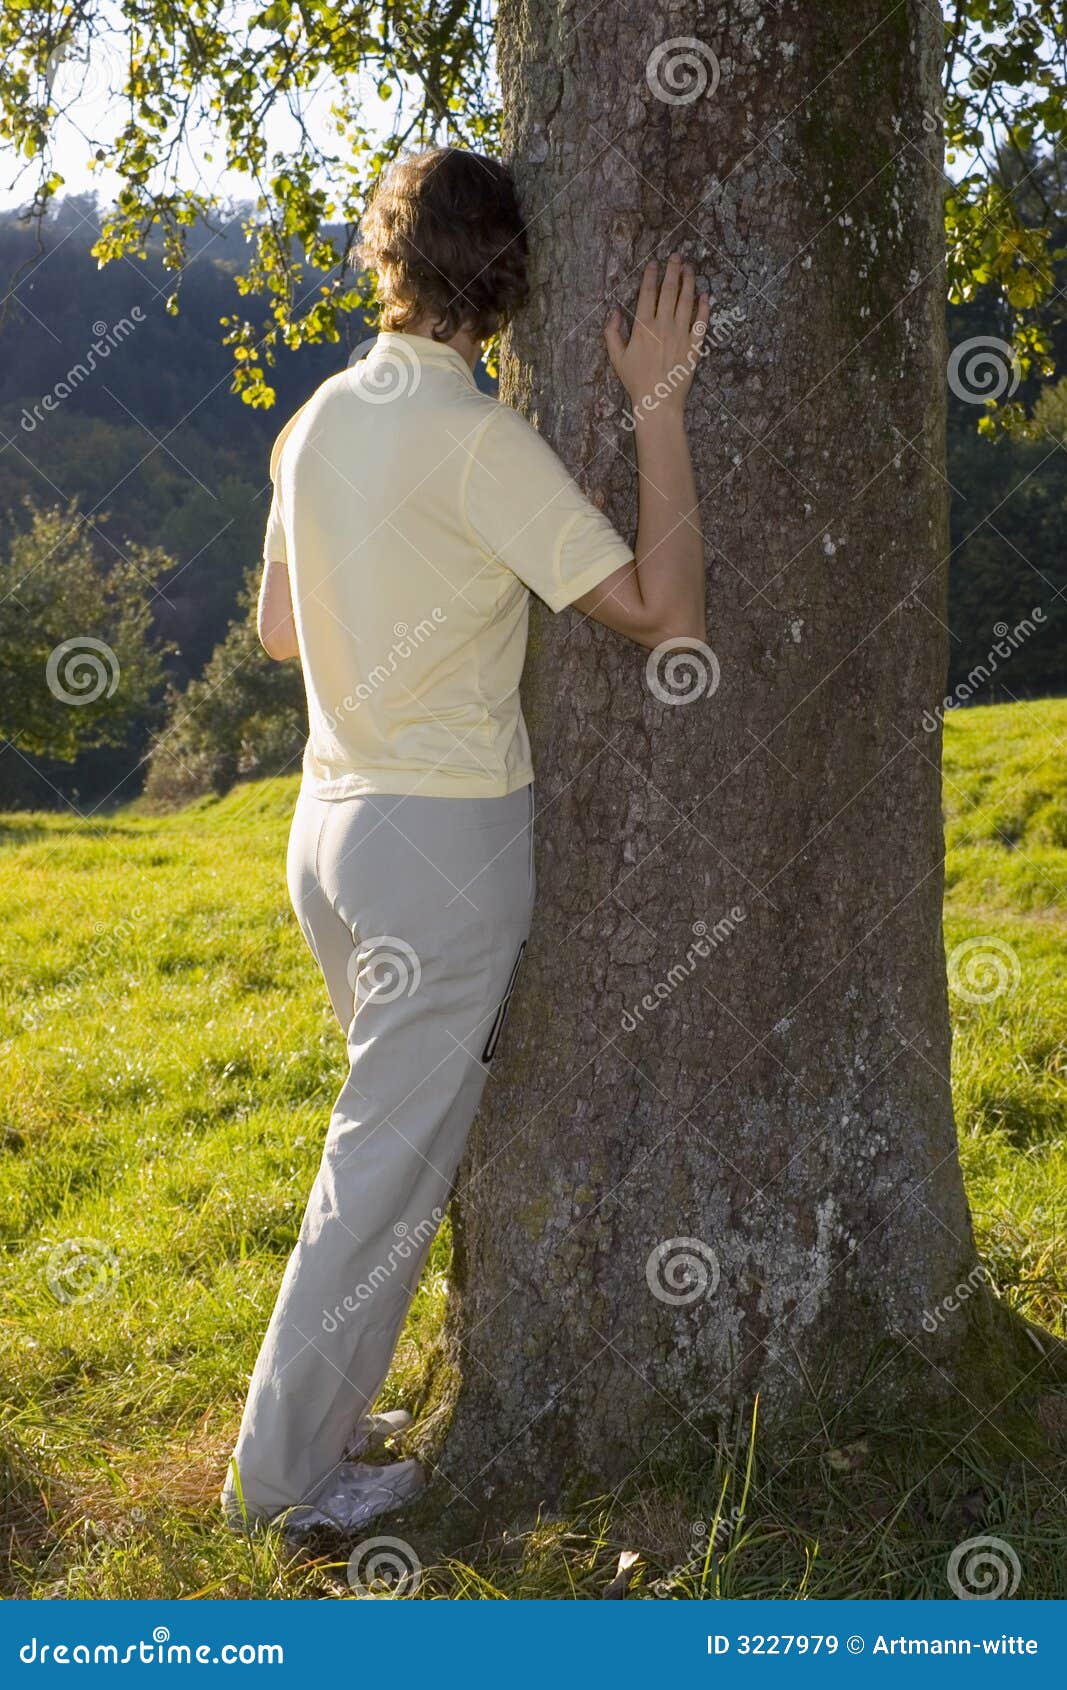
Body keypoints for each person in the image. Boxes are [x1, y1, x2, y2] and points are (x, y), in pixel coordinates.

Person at [222, 145, 708, 1534]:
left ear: (390, 261)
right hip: (439, 851)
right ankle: (279, 1487)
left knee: (383, 1163)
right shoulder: (481, 441)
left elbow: (277, 630)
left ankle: (316, 1408)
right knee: (376, 1176)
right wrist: (659, 406)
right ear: (506, 287)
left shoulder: (314, 420)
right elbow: (663, 610)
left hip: (328, 835)